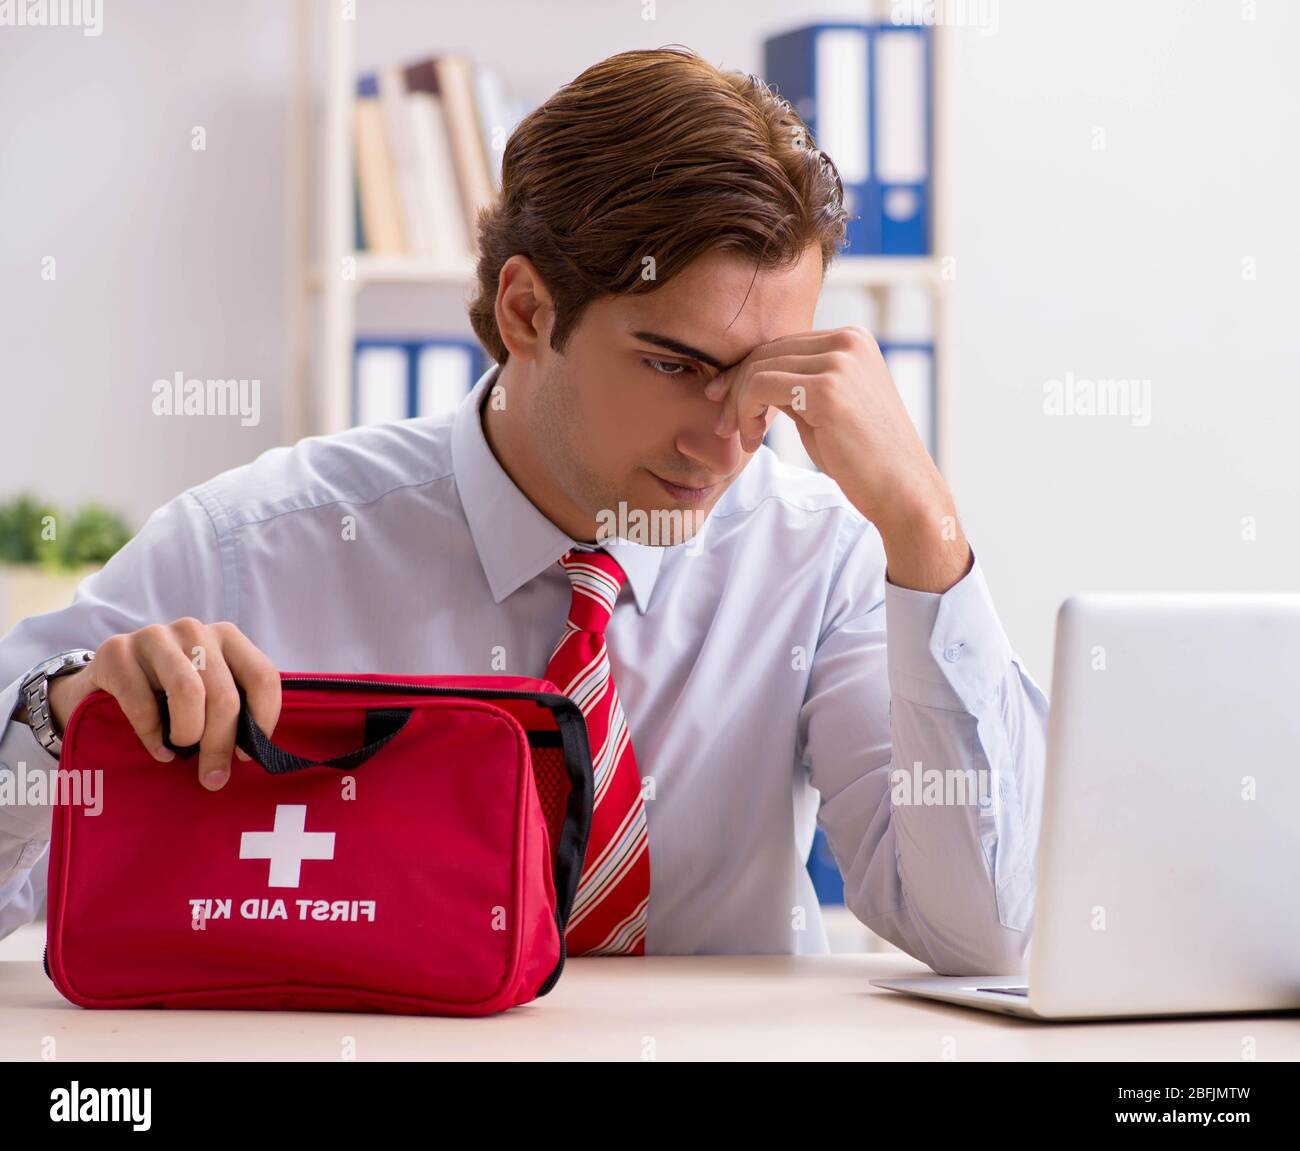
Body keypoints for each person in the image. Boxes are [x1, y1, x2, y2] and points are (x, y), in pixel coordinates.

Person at [0, 46, 1047, 970]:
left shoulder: (821, 556)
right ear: (526, 309)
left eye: (765, 378)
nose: (727, 437)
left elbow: (979, 931)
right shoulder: (250, 546)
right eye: (678, 364)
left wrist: (924, 526)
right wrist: (61, 716)